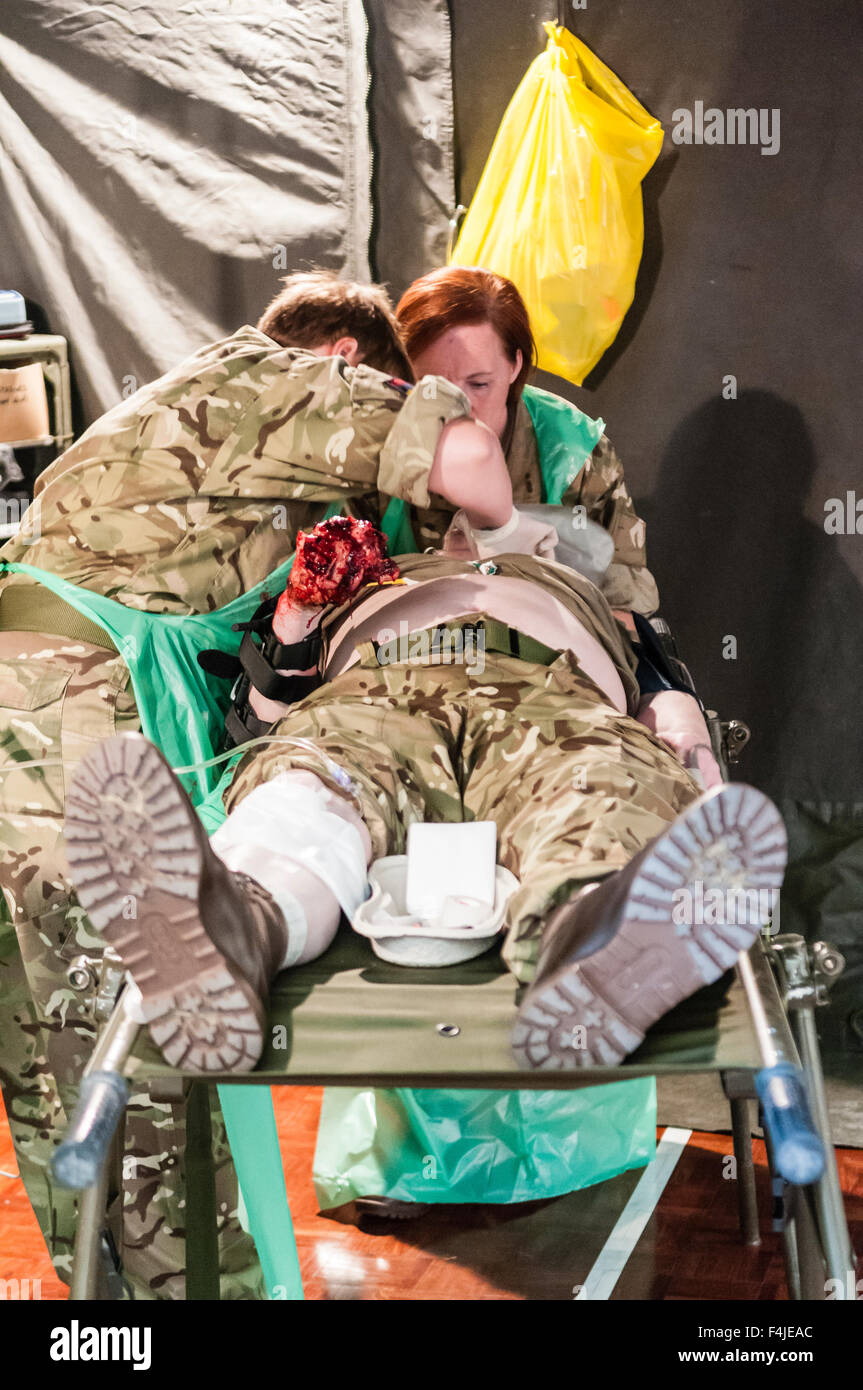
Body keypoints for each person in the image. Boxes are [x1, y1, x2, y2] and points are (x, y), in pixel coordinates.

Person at [0, 269, 504, 1298]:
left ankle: (104, 1318)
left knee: (53, 1070)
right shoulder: (280, 385)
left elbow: (245, 679)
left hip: (28, 721)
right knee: (140, 1052)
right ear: (344, 364)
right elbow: (471, 469)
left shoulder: (177, 438)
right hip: (60, 740)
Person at [63, 507, 786, 1085]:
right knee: (305, 791)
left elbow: (666, 697)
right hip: (373, 694)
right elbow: (261, 721)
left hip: (551, 693)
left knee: (595, 783)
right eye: (459, 519)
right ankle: (231, 931)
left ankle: (591, 941)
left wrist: (694, 767)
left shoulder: (585, 590)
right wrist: (294, 619)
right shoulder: (375, 575)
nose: (474, 524)